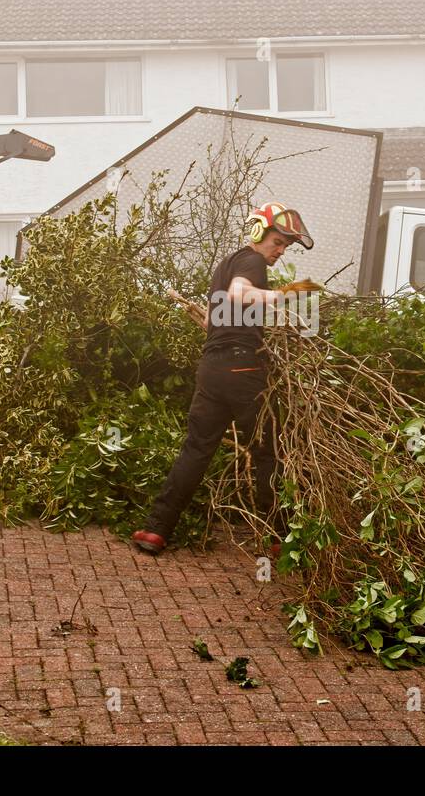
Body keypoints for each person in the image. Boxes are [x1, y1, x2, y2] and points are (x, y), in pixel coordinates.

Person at [132, 202, 315, 555]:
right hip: (243, 369)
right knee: (268, 452)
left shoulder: (228, 263)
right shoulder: (252, 261)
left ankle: (156, 529)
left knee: (196, 449)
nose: (279, 251)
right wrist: (288, 293)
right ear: (259, 234)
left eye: (285, 247)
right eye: (277, 242)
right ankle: (280, 540)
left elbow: (218, 317)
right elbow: (239, 294)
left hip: (212, 369)